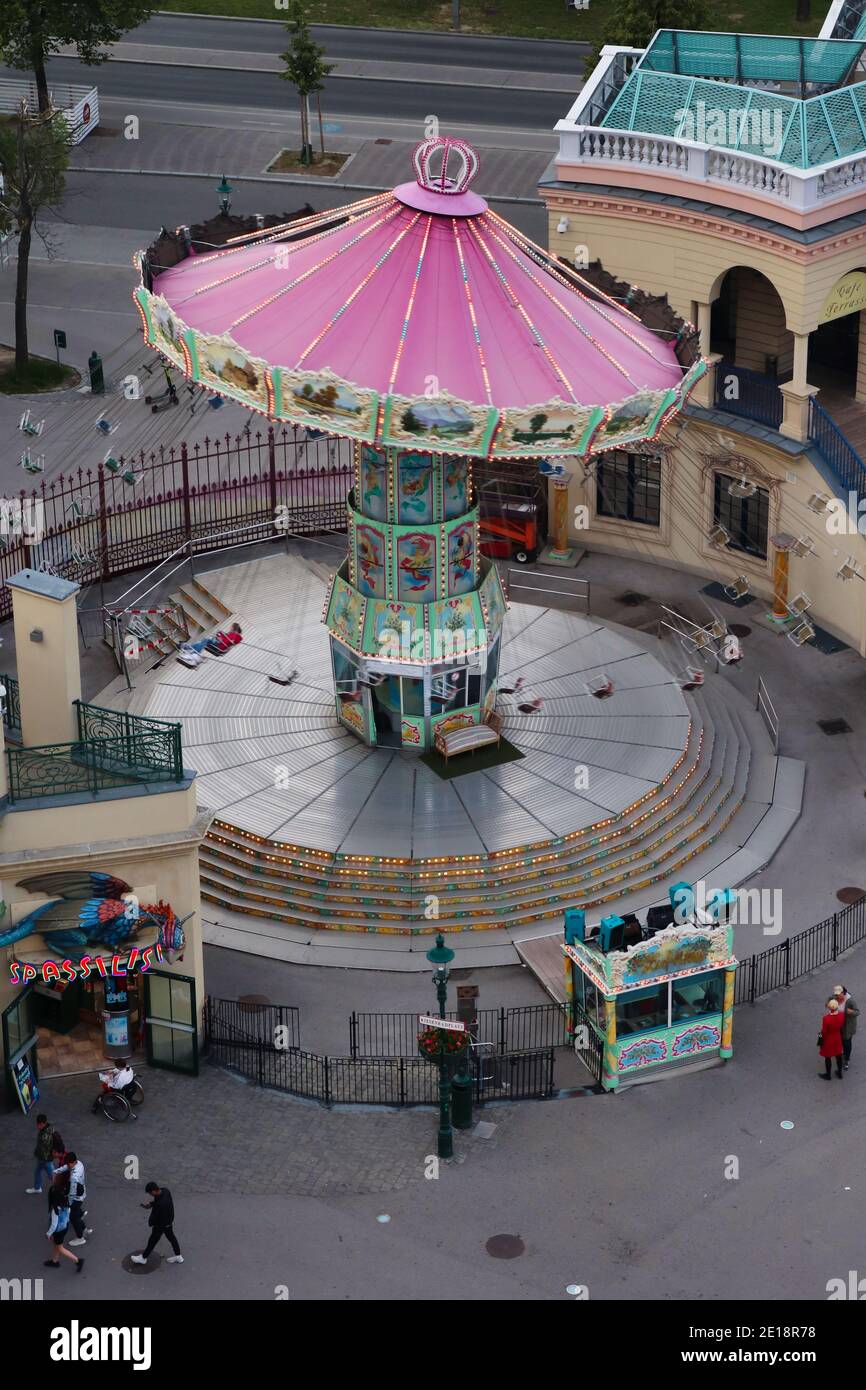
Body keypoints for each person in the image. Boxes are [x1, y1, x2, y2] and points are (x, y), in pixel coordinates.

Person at [131, 1182, 183, 1265]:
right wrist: (151, 1204)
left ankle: (143, 1258)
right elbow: (159, 1201)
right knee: (172, 1238)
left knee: (153, 1240)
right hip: (168, 1222)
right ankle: (178, 1256)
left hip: (161, 1225)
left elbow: (157, 1215)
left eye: (150, 1193)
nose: (150, 1195)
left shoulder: (161, 1204)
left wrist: (152, 1223)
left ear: (153, 1191)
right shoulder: (165, 1190)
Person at [53, 1151, 92, 1246]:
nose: (68, 1165)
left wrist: (69, 1203)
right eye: (67, 1163)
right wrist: (56, 1171)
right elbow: (66, 1167)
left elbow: (72, 1193)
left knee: (73, 1217)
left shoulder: (74, 1177)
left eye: (69, 1163)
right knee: (76, 1215)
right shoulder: (79, 1163)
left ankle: (80, 1237)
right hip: (81, 1194)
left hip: (77, 1198)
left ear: (74, 1162)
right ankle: (85, 1230)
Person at [44, 1189, 84, 1274]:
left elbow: (54, 1225)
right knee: (57, 1245)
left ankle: (77, 1261)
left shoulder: (55, 1210)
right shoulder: (66, 1205)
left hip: (58, 1231)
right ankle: (55, 1261)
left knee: (60, 1248)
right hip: (64, 1228)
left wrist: (48, 1233)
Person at [26, 1114, 60, 1195]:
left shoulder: (46, 1135)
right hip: (42, 1158)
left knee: (52, 1176)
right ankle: (37, 1188)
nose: (38, 1126)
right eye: (37, 1124)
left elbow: (45, 1148)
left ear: (44, 1123)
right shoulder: (46, 1129)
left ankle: (61, 1190)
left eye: (39, 1124)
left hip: (46, 1159)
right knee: (37, 1172)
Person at [830, 984, 859, 1069]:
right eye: (836, 995)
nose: (837, 996)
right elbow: (828, 1001)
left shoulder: (850, 1001)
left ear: (843, 993)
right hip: (838, 1024)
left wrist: (851, 1012)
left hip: (847, 1026)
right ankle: (841, 1054)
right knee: (840, 1040)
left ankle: (846, 1059)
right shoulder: (834, 998)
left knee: (847, 1042)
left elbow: (857, 1012)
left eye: (839, 995)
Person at [819, 998, 845, 1079]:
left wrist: (820, 1038)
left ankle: (828, 1075)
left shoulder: (826, 1018)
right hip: (837, 1037)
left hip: (829, 1039)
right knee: (838, 1055)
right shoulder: (842, 1015)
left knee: (828, 1056)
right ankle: (840, 1073)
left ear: (830, 1008)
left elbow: (824, 1031)